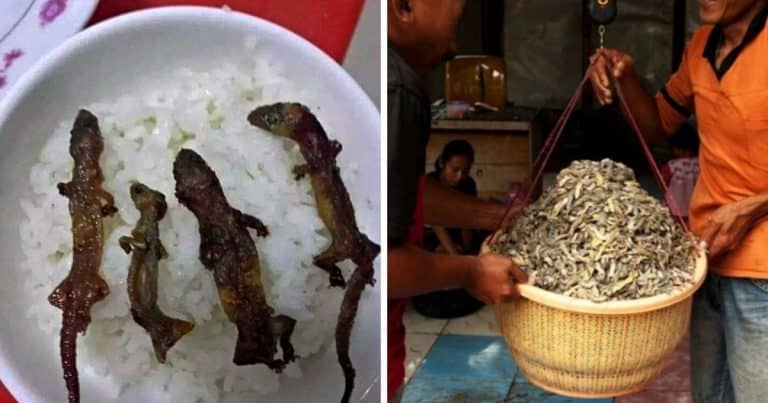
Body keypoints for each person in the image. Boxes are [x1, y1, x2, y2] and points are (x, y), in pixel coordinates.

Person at [590, 0, 768, 401]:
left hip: (763, 277)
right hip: (708, 256)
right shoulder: (702, 46)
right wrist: (626, 76)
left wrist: (755, 205)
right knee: (709, 393)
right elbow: (657, 124)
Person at [388, 0, 528, 400]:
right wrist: (469, 272)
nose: (454, 45)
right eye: (455, 9)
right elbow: (381, 264)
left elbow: (405, 192)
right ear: (404, 7)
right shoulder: (399, 88)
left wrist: (500, 216)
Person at [425, 140, 479, 255]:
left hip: (457, 236)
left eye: (465, 172)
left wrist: (466, 251)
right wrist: (456, 256)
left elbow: (467, 222)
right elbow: (437, 226)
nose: (459, 177)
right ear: (442, 163)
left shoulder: (468, 184)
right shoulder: (431, 182)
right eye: (455, 170)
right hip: (433, 237)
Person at [661, 124, 700, 225]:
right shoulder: (700, 163)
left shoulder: (672, 165)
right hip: (695, 205)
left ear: (680, 149)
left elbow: (663, 182)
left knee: (674, 226)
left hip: (675, 205)